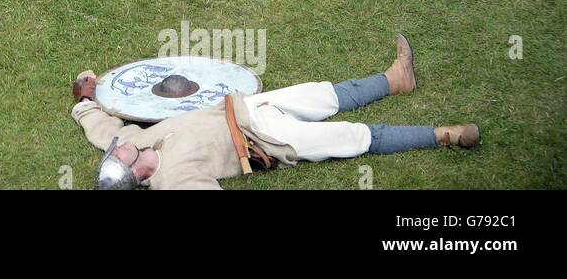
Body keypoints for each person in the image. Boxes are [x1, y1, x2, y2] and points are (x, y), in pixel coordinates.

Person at [71, 35, 480, 189]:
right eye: (118, 158)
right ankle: (445, 135)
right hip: (270, 143)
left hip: (248, 108)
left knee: (326, 95)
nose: (117, 148)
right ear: (133, 173)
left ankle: (396, 79)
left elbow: (95, 123)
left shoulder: (127, 140)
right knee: (357, 137)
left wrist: (85, 95)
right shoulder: (174, 180)